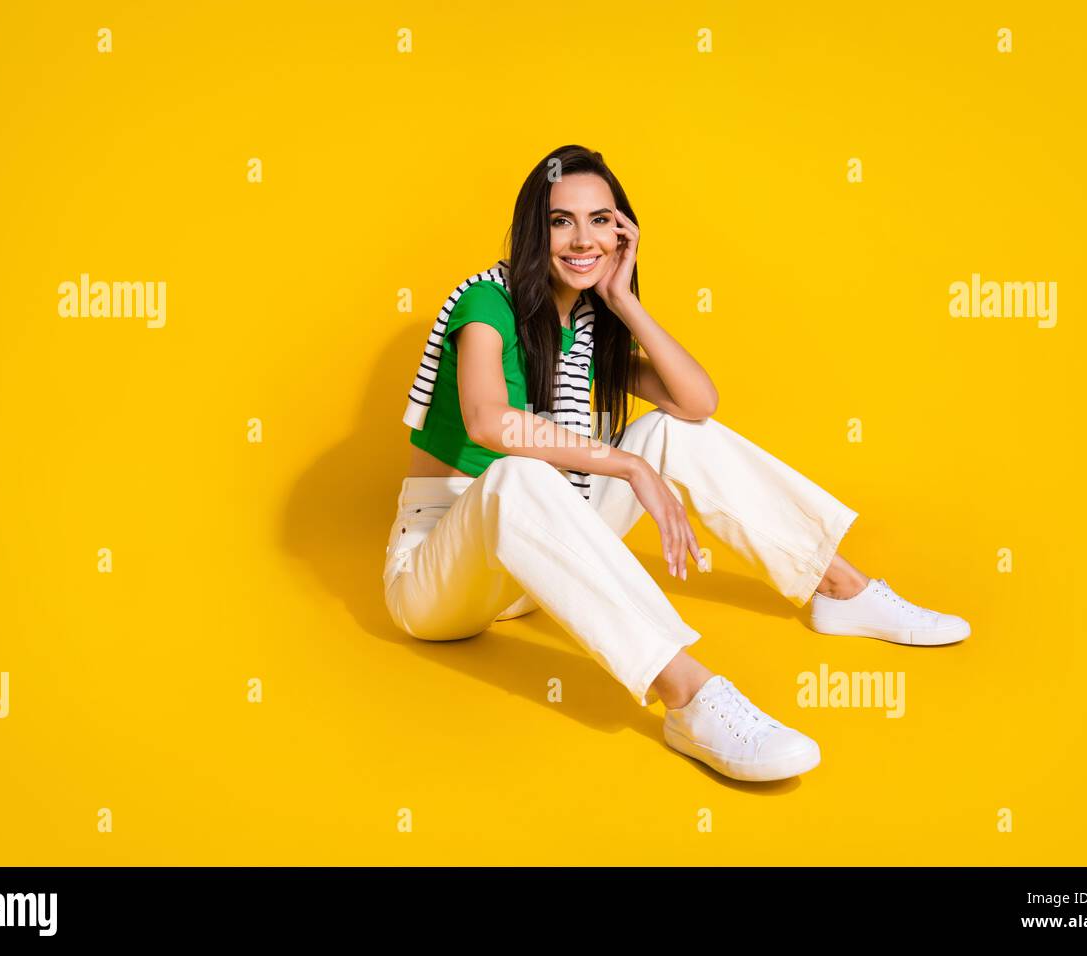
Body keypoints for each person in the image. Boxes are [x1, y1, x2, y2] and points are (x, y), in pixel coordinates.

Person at [385, 144, 970, 783]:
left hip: (542, 556)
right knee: (519, 473)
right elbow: (488, 421)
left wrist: (623, 300)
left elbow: (698, 403)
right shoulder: (485, 304)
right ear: (533, 228)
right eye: (561, 221)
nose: (583, 238)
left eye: (601, 220)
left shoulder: (587, 317)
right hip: (442, 571)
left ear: (622, 230)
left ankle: (839, 589)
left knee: (670, 430)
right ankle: (690, 697)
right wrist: (629, 469)